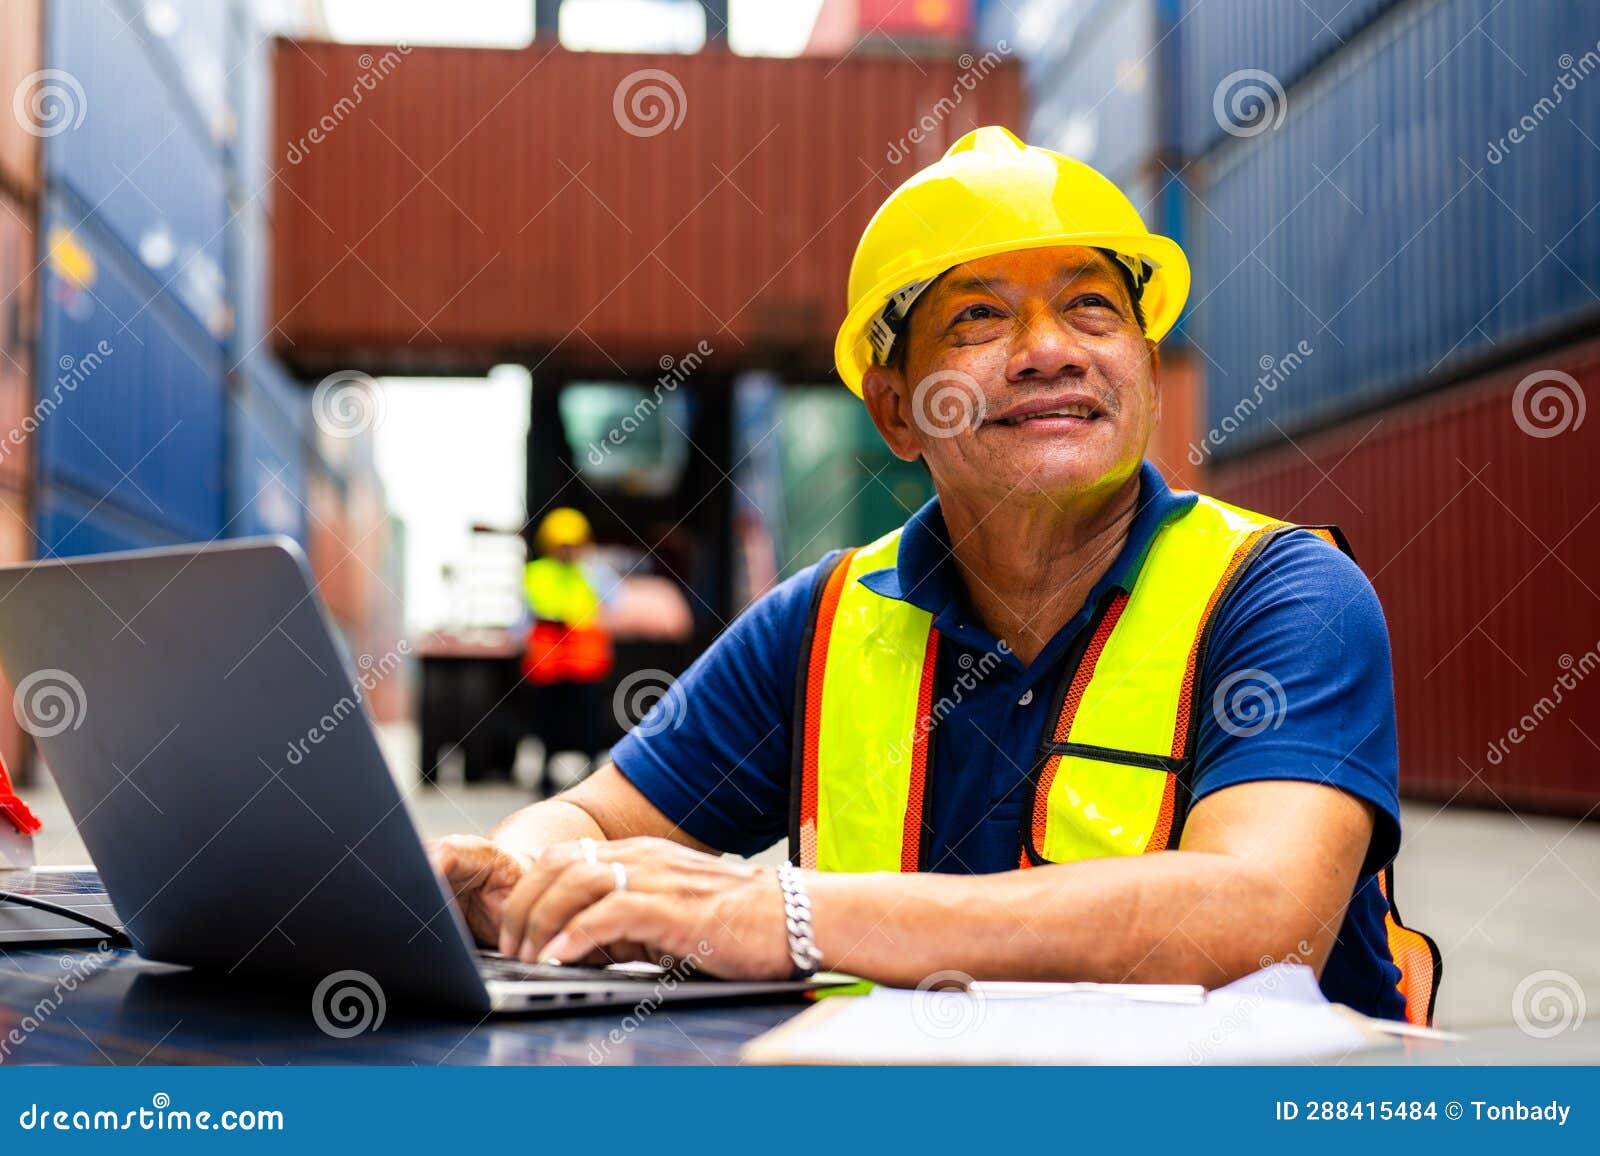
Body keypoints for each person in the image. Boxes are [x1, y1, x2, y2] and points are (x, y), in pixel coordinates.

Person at [433, 127, 1439, 1024]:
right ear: (896, 411)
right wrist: (523, 874)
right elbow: (598, 817)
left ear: (1139, 359)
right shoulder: (820, 623)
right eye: (979, 321)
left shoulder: (1280, 596)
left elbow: (1260, 915)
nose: (1050, 351)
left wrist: (783, 913)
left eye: (1092, 308)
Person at [520, 508, 616, 789]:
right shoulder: (536, 573)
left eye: (573, 545)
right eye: (563, 545)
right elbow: (527, 615)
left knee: (588, 724)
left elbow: (615, 602)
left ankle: (591, 775)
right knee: (548, 723)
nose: (568, 551)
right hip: (549, 664)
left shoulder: (593, 572)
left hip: (584, 663)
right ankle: (546, 776)